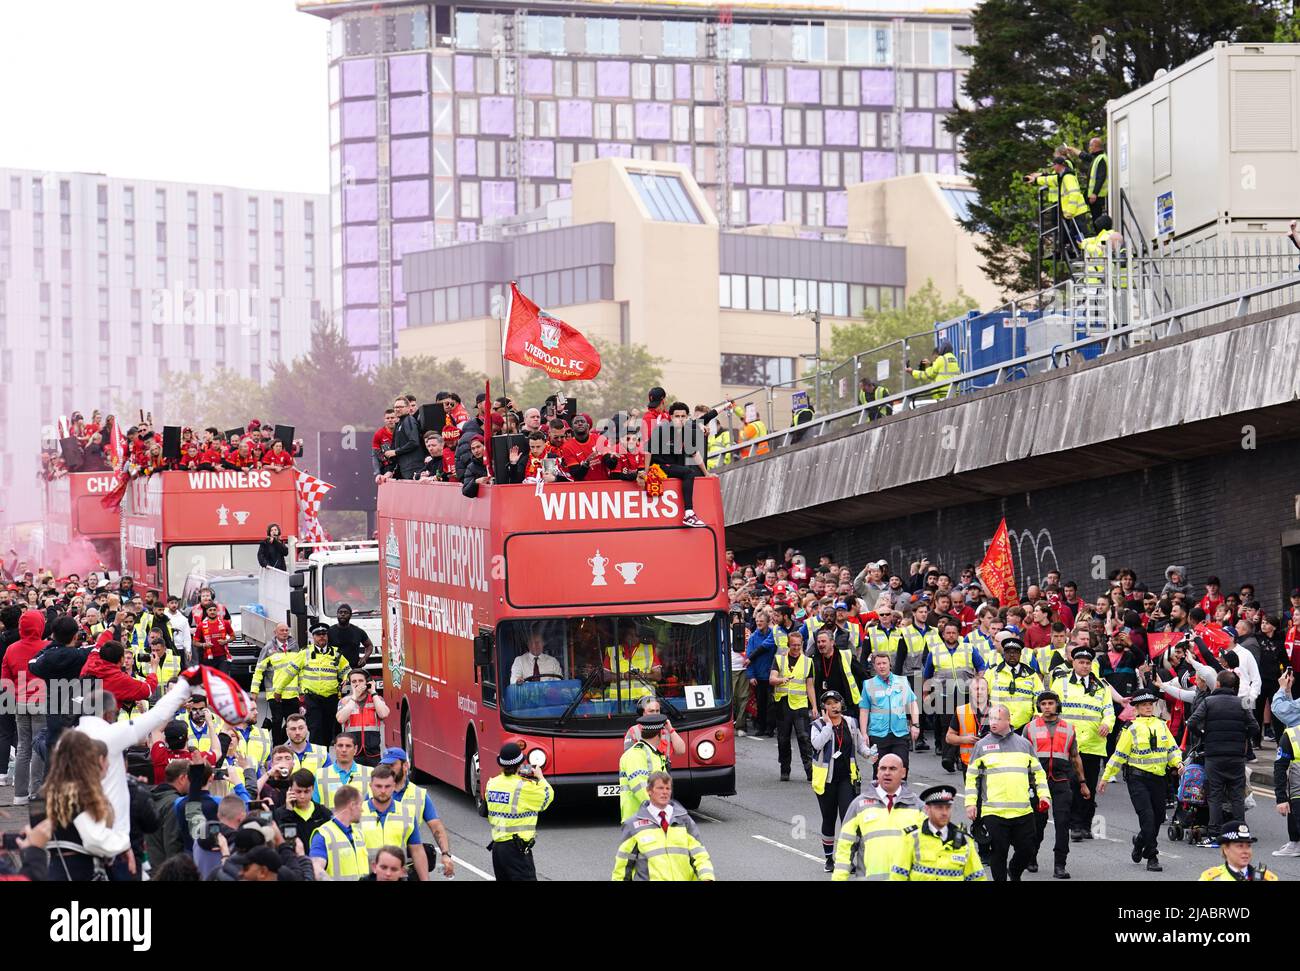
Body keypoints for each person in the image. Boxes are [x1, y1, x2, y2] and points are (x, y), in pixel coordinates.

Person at [1098, 688, 1183, 870]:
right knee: (1147, 817)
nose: (1148, 707)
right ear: (1135, 708)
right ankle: (1152, 857)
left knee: (1159, 817)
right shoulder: (1131, 728)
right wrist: (1106, 777)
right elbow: (1119, 755)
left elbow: (1172, 748)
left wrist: (1178, 763)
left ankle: (1139, 841)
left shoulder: (1161, 725)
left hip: (1159, 778)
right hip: (1138, 779)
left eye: (1150, 704)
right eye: (1143, 705)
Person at [964, 704, 1049, 882]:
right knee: (999, 852)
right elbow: (972, 778)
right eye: (991, 718)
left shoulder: (1024, 744)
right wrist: (971, 803)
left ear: (1008, 721)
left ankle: (1015, 871)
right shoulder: (981, 745)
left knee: (1027, 849)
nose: (993, 722)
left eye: (998, 719)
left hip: (1023, 811)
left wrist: (1044, 795)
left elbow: (1038, 773)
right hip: (994, 811)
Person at [43, 732, 129, 881]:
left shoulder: (49, 792)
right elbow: (95, 840)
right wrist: (124, 842)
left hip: (57, 868)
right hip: (80, 871)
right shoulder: (78, 793)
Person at [1185, 669, 1255, 846]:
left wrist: (1203, 734)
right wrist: (1242, 737)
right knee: (1236, 795)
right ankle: (1241, 832)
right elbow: (1254, 727)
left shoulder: (1208, 702)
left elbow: (1192, 722)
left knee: (1214, 795)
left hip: (1214, 755)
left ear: (1217, 684)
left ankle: (1215, 833)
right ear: (1233, 686)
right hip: (1236, 756)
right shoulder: (1242, 702)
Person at [1052, 646, 1113, 842]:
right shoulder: (1060, 683)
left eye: (1088, 663)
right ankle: (1075, 825)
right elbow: (1051, 708)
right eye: (1081, 662)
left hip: (1093, 744)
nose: (1085, 666)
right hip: (1068, 744)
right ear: (1073, 662)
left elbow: (1109, 711)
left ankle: (1086, 824)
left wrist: (1107, 723)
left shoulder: (1102, 686)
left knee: (1089, 786)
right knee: (1072, 785)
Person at [1023, 690, 1087, 879]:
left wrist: (1083, 783)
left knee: (1062, 823)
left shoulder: (1069, 728)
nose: (1047, 707)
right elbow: (1022, 757)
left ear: (1057, 705)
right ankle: (1031, 856)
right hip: (1037, 782)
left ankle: (1060, 865)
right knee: (1037, 824)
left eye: (1051, 703)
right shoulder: (1030, 728)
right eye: (1043, 704)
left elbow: (1075, 757)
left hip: (1061, 781)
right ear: (1039, 706)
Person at [831, 753, 925, 881]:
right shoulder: (859, 805)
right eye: (883, 768)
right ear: (877, 772)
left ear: (903, 773)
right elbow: (845, 847)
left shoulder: (918, 806)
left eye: (892, 769)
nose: (887, 773)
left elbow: (930, 848)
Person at [810, 690, 875, 872]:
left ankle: (847, 859)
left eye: (836, 702)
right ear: (824, 708)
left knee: (848, 820)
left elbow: (860, 746)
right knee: (829, 819)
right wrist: (828, 726)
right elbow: (816, 744)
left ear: (841, 704)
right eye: (829, 704)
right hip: (826, 781)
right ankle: (829, 859)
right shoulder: (817, 725)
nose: (834, 706)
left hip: (847, 778)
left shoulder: (850, 723)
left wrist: (870, 754)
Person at [611, 771, 714, 881]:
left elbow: (699, 854)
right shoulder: (633, 825)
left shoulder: (684, 820)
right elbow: (623, 866)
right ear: (649, 791)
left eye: (667, 788)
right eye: (660, 788)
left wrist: (707, 877)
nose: (664, 792)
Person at [485, 741, 555, 881]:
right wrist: (540, 778)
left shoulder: (491, 784)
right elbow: (547, 796)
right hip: (516, 850)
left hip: (498, 849)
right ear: (521, 763)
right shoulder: (523, 787)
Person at [889, 784, 986, 882]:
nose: (944, 812)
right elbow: (898, 876)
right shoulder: (912, 838)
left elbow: (977, 877)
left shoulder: (964, 840)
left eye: (948, 807)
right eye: (939, 807)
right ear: (927, 809)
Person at [1, 609, 49, 805]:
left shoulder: (11, 649)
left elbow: (4, 681)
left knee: (22, 748)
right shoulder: (47, 647)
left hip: (20, 702)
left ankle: (19, 795)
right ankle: (35, 792)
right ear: (40, 625)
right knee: (38, 747)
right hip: (41, 701)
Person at [359, 764, 431, 881]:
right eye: (378, 786)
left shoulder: (406, 813)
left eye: (387, 786)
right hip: (365, 877)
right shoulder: (357, 813)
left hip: (395, 877)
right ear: (371, 786)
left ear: (393, 787)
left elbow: (417, 850)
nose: (383, 791)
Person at [860, 651, 920, 774]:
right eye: (878, 664)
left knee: (902, 769)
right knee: (879, 772)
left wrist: (915, 725)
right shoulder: (868, 684)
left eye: (884, 663)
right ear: (874, 667)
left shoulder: (902, 681)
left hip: (900, 733)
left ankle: (901, 793)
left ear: (890, 665)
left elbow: (912, 703)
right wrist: (864, 733)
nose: (882, 666)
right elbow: (864, 710)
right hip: (878, 735)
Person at [771, 629, 816, 781]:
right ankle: (785, 769)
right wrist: (780, 680)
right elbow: (772, 679)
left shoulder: (808, 662)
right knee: (783, 739)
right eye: (793, 645)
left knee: (804, 738)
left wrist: (814, 706)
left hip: (800, 705)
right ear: (788, 645)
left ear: (802, 644)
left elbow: (810, 686)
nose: (796, 648)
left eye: (798, 645)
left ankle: (810, 771)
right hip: (783, 705)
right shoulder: (779, 659)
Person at [295, 625, 350, 745]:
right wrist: (278, 690)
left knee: (328, 731)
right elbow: (290, 672)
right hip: (312, 697)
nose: (321, 637)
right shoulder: (305, 653)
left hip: (331, 698)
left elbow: (347, 670)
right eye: (318, 635)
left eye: (324, 634)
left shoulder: (336, 654)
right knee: (315, 728)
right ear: (313, 637)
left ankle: (324, 759)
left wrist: (346, 678)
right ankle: (315, 759)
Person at [310, 786, 370, 881]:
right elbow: (316, 869)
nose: (362, 810)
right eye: (360, 805)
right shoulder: (323, 835)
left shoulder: (358, 834)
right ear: (352, 805)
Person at [619, 712, 669, 822]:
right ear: (659, 733)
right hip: (638, 819)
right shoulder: (636, 754)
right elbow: (640, 787)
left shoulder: (655, 754)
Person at [812, 628, 867, 722]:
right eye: (818, 642)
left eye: (823, 641)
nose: (820, 644)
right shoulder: (814, 660)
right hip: (826, 706)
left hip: (846, 705)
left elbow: (863, 675)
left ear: (832, 642)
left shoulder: (845, 655)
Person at [336, 669, 389, 764]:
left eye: (360, 681)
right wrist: (354, 697)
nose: (357, 684)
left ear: (367, 682)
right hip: (352, 753)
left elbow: (384, 714)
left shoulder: (376, 699)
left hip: (373, 753)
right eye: (354, 681)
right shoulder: (345, 701)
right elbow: (340, 719)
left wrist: (373, 692)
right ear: (350, 684)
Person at [987, 637, 1038, 731]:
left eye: (1015, 652)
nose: (1012, 655)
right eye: (1008, 652)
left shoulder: (1031, 674)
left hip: (1024, 725)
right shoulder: (992, 673)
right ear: (1004, 654)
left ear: (1020, 654)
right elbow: (983, 696)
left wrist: (1038, 714)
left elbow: (1039, 696)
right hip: (998, 724)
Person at [272, 768, 333, 849]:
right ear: (290, 790)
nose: (302, 796)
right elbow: (289, 843)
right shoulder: (279, 814)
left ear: (313, 789)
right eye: (298, 791)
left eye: (307, 791)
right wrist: (288, 813)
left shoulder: (324, 813)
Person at [1198, 821, 1278, 881]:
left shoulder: (1267, 878)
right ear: (1225, 849)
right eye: (1240, 846)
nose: (1246, 851)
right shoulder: (1211, 878)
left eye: (1248, 846)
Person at [946, 674, 991, 774]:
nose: (979, 692)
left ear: (988, 691)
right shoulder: (961, 711)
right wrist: (964, 739)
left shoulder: (997, 710)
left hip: (992, 764)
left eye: (982, 689)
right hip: (969, 763)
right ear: (971, 692)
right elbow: (949, 737)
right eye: (976, 689)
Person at [314, 733, 373, 807]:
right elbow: (315, 807)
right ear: (335, 748)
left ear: (355, 749)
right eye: (340, 746)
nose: (344, 750)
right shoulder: (320, 774)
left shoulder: (370, 773)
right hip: (330, 819)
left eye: (348, 746)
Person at [745, 608, 777, 736]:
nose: (758, 623)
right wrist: (751, 675)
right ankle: (761, 727)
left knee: (771, 704)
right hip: (758, 675)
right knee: (761, 703)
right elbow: (748, 657)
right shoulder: (753, 637)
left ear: (767, 621)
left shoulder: (773, 634)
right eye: (757, 621)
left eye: (761, 621)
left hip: (771, 674)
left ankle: (770, 728)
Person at [327, 604, 373, 673]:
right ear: (337, 614)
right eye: (340, 612)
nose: (342, 614)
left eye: (346, 612)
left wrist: (365, 658)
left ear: (350, 615)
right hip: (334, 669)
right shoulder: (329, 631)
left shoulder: (358, 631)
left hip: (354, 669)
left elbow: (369, 645)